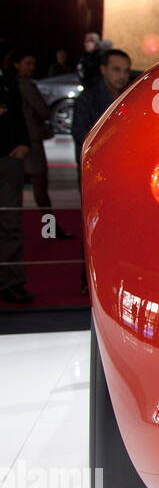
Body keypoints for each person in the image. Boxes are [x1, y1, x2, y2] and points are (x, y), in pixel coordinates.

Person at [4, 48, 73, 238]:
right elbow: (42, 110)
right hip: (30, 141)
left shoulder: (12, 84)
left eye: (33, 64)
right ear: (17, 64)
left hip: (21, 140)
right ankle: (50, 231)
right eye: (27, 63)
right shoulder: (24, 85)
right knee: (41, 191)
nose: (31, 68)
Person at [72, 49, 132, 171]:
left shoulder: (130, 96)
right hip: (96, 167)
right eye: (116, 70)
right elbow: (80, 133)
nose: (122, 76)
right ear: (103, 69)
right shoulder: (88, 98)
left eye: (126, 71)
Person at [0, 89, 32, 303]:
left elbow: (17, 114)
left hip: (7, 157)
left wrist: (23, 143)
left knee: (10, 223)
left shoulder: (8, 81)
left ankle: (11, 281)